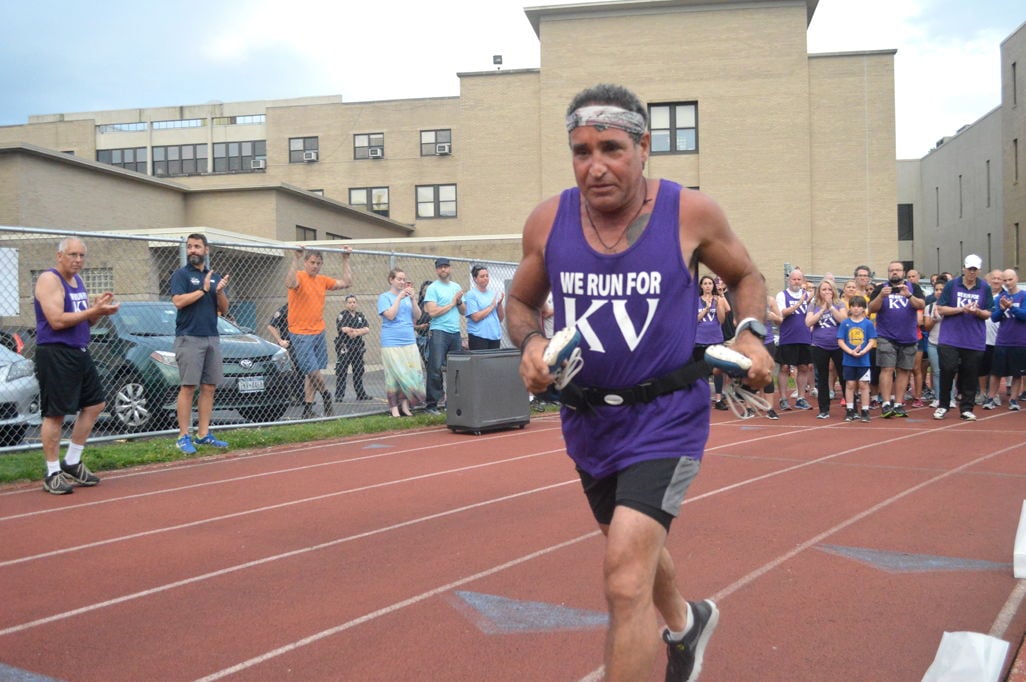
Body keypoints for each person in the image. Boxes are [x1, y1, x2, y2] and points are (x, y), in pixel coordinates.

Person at [506, 84, 774, 682]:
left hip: (667, 415)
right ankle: (688, 621)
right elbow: (521, 300)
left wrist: (751, 334)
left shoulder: (690, 212)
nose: (595, 166)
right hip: (588, 421)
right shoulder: (548, 220)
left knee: (624, 578)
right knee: (637, 552)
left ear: (644, 147)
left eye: (611, 148)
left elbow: (747, 274)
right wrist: (528, 343)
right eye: (581, 151)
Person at [33, 237, 120, 494]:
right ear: (59, 255)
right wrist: (91, 312)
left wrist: (97, 310)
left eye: (82, 255)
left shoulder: (77, 281)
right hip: (55, 353)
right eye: (73, 255)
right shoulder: (49, 280)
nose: (78, 260)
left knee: (95, 405)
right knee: (56, 413)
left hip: (79, 351)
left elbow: (84, 322)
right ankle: (52, 473)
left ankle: (72, 460)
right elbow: (57, 320)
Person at [170, 233, 230, 454]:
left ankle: (203, 434)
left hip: (211, 336)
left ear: (206, 250)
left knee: (209, 387)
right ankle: (183, 436)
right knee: (188, 387)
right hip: (189, 337)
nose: (192, 250)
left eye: (197, 246)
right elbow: (178, 301)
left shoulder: (214, 276)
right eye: (189, 247)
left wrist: (219, 291)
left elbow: (224, 309)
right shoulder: (181, 275)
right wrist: (202, 290)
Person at [286, 246, 353, 418]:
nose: (315, 266)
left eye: (318, 263)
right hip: (300, 332)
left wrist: (345, 259)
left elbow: (346, 282)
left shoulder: (322, 280)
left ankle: (308, 409)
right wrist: (295, 258)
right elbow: (289, 283)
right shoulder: (299, 276)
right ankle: (326, 395)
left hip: (318, 331)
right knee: (311, 369)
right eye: (312, 262)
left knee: (313, 372)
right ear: (306, 262)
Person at [934, 254, 993, 420]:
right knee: (947, 369)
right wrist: (962, 309)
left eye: (975, 269)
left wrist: (977, 311)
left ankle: (967, 407)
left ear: (979, 270)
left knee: (970, 373)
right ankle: (943, 405)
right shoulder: (952, 285)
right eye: (969, 269)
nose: (972, 272)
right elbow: (941, 309)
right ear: (964, 269)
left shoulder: (984, 287)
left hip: (973, 339)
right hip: (950, 338)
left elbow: (988, 312)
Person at [867, 261, 925, 418]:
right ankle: (886, 403)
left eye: (898, 270)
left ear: (903, 273)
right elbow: (871, 308)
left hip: (908, 336)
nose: (895, 273)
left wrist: (908, 295)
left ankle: (898, 403)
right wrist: (880, 296)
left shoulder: (914, 287)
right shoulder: (881, 288)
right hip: (886, 335)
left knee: (904, 370)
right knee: (886, 368)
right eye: (892, 270)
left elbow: (921, 304)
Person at [378, 269, 426, 417]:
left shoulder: (407, 298)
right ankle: (394, 408)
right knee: (395, 375)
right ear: (391, 280)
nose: (402, 282)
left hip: (409, 340)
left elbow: (418, 316)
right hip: (391, 342)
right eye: (399, 279)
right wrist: (399, 297)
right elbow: (390, 315)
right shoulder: (384, 297)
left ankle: (405, 406)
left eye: (404, 279)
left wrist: (412, 299)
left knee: (411, 373)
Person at [423, 257, 466, 415]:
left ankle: (453, 402)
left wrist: (459, 302)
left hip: (454, 332)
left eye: (446, 267)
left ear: (450, 269)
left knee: (456, 369)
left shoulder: (456, 287)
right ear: (436, 270)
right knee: (435, 367)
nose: (443, 270)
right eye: (440, 267)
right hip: (439, 331)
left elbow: (464, 311)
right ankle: (432, 405)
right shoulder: (433, 288)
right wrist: (452, 303)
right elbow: (432, 312)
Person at [805, 279, 846, 418]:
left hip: (838, 344)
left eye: (829, 289)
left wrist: (831, 307)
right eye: (824, 289)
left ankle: (850, 407)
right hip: (819, 345)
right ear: (819, 291)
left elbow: (843, 320)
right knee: (822, 377)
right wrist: (822, 309)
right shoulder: (813, 305)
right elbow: (808, 322)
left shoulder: (839, 303)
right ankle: (824, 409)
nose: (827, 292)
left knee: (843, 375)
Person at [987, 270, 1026, 410]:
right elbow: (994, 317)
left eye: (1010, 279)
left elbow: (1025, 315)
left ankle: (1013, 400)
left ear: (1016, 279)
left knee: (1017, 373)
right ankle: (990, 398)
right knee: (996, 372)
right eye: (1005, 280)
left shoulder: (1023, 296)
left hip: (1019, 341)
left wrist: (1011, 308)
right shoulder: (1000, 297)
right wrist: (1002, 309)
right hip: (1002, 340)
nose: (1008, 283)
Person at [775, 268, 813, 410]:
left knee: (804, 367)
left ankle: (801, 398)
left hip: (804, 336)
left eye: (799, 279)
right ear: (788, 280)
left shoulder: (808, 295)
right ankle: (783, 398)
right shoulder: (782, 295)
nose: (796, 282)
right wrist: (799, 303)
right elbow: (783, 313)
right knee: (784, 367)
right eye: (794, 279)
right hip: (788, 336)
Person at [837, 295, 876, 423]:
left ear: (863, 308)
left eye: (859, 306)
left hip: (863, 360)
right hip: (849, 359)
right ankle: (850, 409)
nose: (856, 309)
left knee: (864, 384)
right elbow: (841, 341)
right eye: (853, 306)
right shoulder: (845, 323)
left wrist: (863, 351)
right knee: (850, 384)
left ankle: (865, 410)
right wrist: (851, 352)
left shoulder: (868, 324)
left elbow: (871, 340)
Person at [695, 274, 730, 410]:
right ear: (701, 286)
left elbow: (721, 320)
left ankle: (718, 399)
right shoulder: (696, 300)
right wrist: (706, 309)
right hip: (700, 339)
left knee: (718, 370)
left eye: (710, 283)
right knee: (702, 370)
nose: (708, 286)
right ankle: (702, 399)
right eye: (705, 283)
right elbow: (694, 319)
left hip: (716, 338)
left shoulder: (718, 300)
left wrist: (718, 304)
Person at [335, 294, 372, 401]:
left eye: (354, 302)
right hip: (345, 347)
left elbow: (367, 329)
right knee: (342, 371)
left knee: (358, 371)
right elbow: (344, 329)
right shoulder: (342, 315)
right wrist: (358, 331)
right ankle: (339, 396)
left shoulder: (360, 315)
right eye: (350, 302)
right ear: (346, 304)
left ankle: (360, 394)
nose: (352, 304)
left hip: (357, 348)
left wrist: (355, 332)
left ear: (357, 304)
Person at [464, 265, 505, 350]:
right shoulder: (471, 294)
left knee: (493, 363)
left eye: (487, 276)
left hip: (494, 335)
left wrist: (499, 304)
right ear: (475, 279)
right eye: (482, 276)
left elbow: (500, 318)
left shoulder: (493, 294)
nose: (485, 278)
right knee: (480, 363)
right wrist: (491, 307)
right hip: (478, 336)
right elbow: (475, 317)